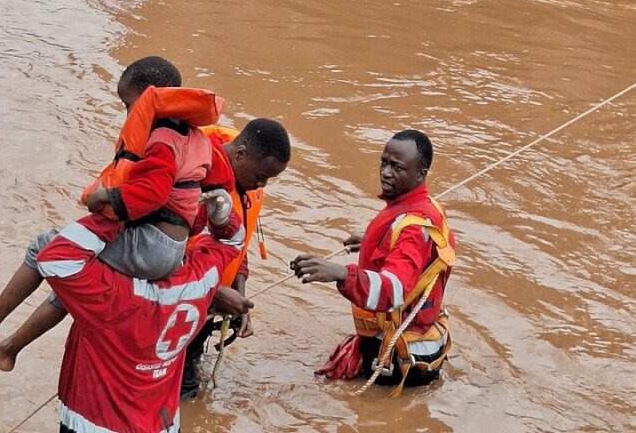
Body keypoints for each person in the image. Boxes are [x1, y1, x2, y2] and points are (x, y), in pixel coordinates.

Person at [0, 56, 220, 369]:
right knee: (72, 279)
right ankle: (8, 349)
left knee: (45, 247)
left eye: (129, 104)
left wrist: (107, 197)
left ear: (149, 97)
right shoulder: (194, 136)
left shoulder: (161, 139)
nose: (129, 114)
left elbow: (152, 193)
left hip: (150, 247)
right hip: (167, 248)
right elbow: (212, 186)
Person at [38, 189, 252, 433]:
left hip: (94, 424)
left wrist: (118, 214)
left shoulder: (112, 295)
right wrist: (222, 216)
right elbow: (231, 241)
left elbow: (53, 258)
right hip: (162, 425)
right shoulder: (200, 283)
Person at [291, 130, 455, 394]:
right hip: (418, 343)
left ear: (420, 175)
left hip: (399, 358)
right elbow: (416, 256)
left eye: (397, 167)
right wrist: (373, 243)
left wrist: (341, 274)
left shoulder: (414, 229)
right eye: (384, 162)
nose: (386, 173)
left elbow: (394, 289)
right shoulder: (429, 207)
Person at [179, 120, 291, 399]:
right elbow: (162, 258)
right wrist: (216, 293)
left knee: (190, 383)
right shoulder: (193, 181)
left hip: (207, 308)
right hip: (174, 312)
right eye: (262, 176)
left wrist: (240, 299)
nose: (262, 184)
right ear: (240, 154)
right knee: (182, 393)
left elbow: (238, 248)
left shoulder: (245, 184)